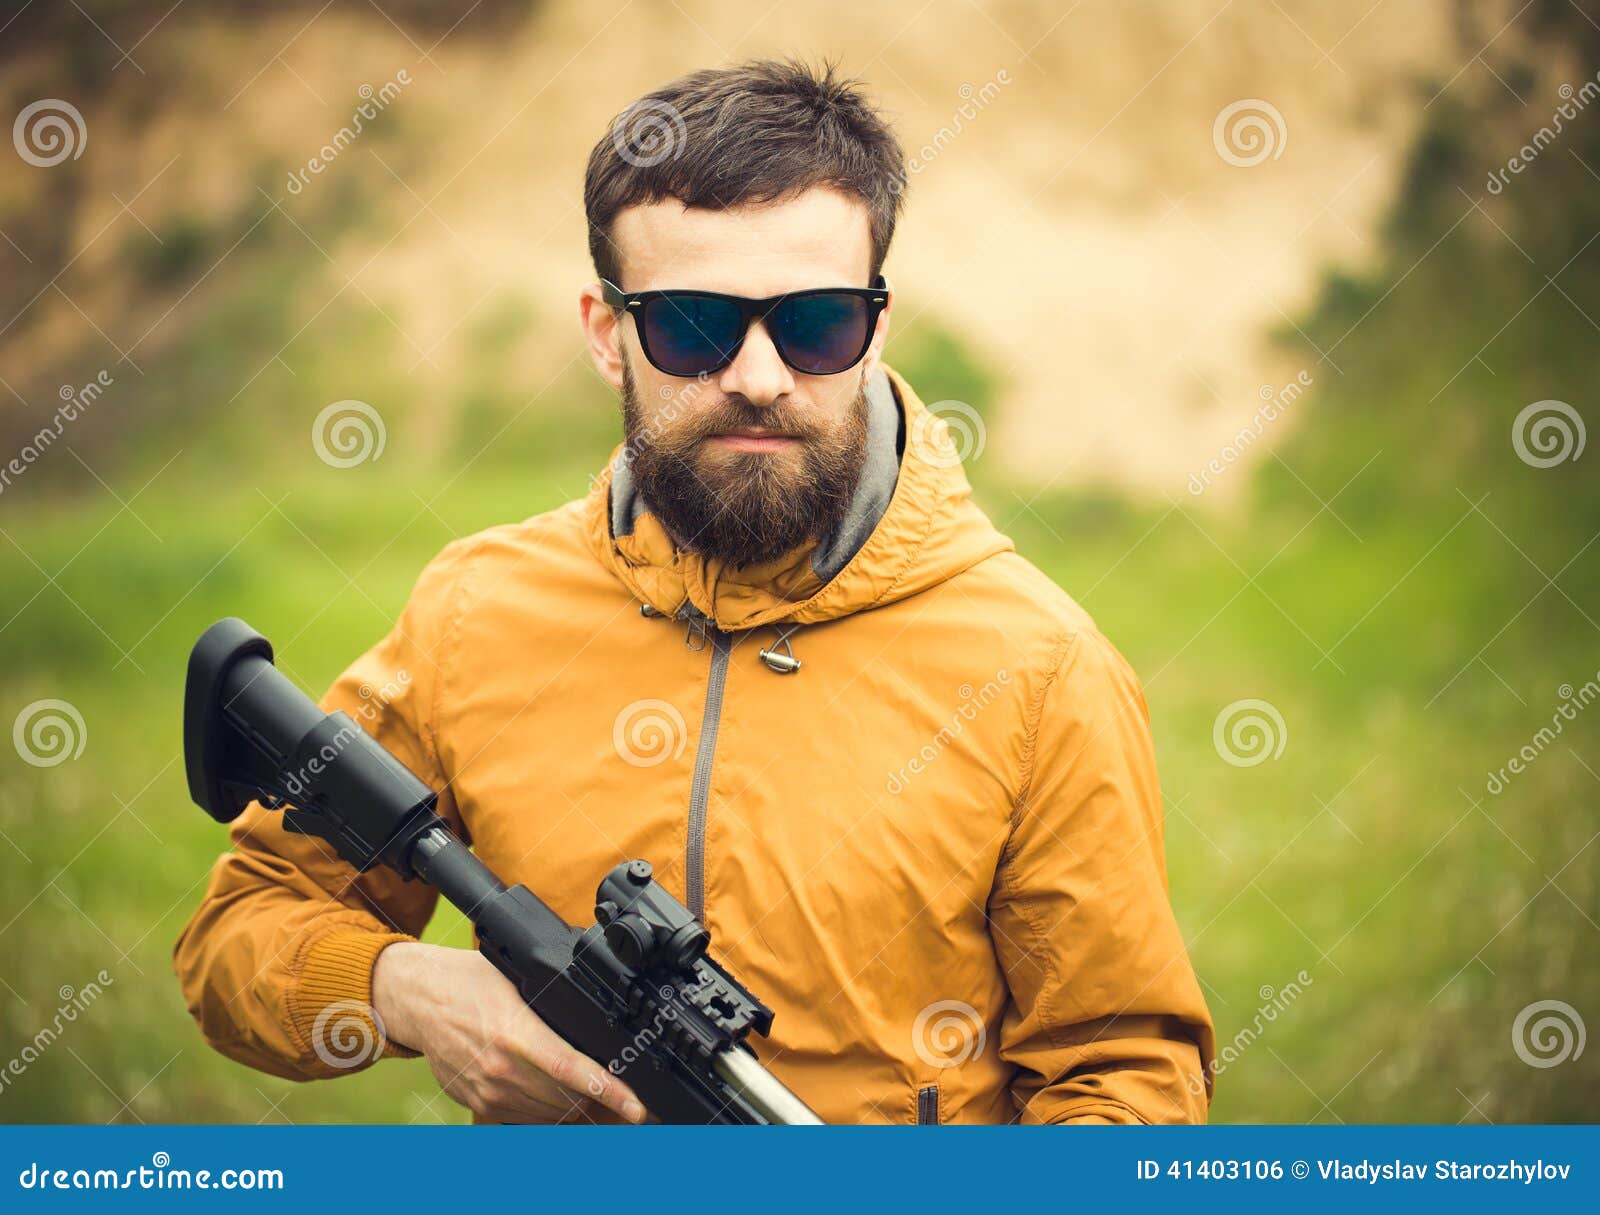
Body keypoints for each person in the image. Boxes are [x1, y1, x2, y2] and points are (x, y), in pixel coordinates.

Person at [174, 58, 1215, 1125]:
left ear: (877, 326)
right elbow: (237, 937)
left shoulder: (1037, 665)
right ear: (605, 333)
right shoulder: (474, 612)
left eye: (815, 325)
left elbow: (1123, 1075)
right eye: (694, 326)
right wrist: (406, 992)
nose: (759, 376)